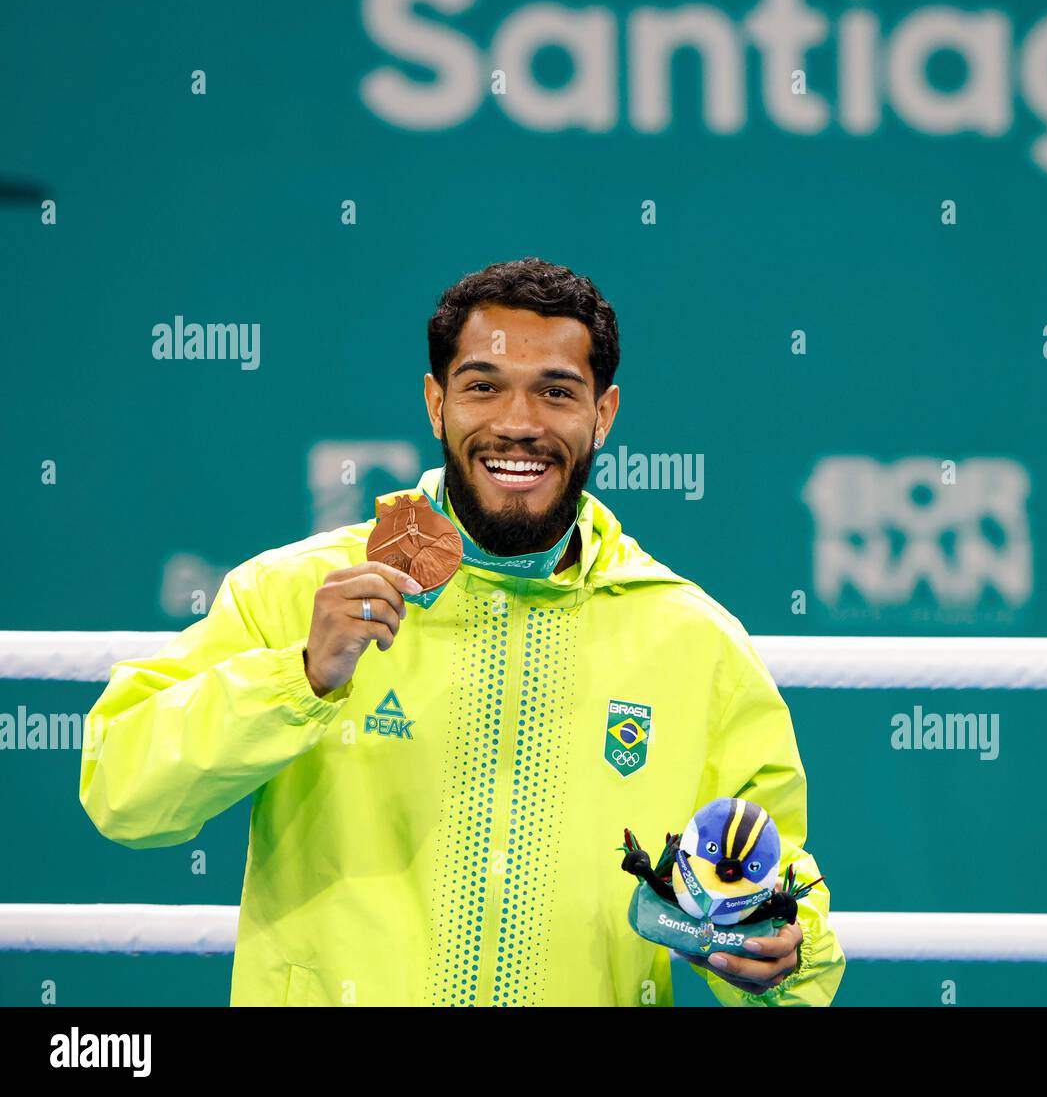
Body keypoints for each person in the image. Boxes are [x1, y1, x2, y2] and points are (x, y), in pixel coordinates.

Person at [79, 257, 846, 1007]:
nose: (519, 424)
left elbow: (775, 885)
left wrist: (783, 951)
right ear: (436, 402)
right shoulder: (297, 593)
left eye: (556, 392)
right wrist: (300, 678)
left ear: (602, 415)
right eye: (484, 387)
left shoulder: (693, 640)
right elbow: (124, 792)